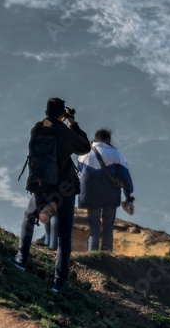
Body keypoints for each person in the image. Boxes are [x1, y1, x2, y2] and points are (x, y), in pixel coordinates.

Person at [11, 98, 90, 293]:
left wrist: (32, 183)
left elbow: (33, 159)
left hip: (41, 185)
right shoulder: (65, 132)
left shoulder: (36, 129)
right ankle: (59, 283)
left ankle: (21, 260)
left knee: (29, 217)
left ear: (46, 112)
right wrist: (72, 122)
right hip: (64, 189)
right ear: (62, 114)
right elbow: (85, 147)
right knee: (63, 236)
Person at [77, 128, 135, 252]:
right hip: (110, 195)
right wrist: (129, 198)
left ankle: (93, 254)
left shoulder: (84, 153)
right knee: (108, 227)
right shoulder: (116, 154)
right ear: (108, 139)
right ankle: (106, 254)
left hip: (89, 195)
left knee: (94, 228)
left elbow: (80, 173)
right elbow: (126, 178)